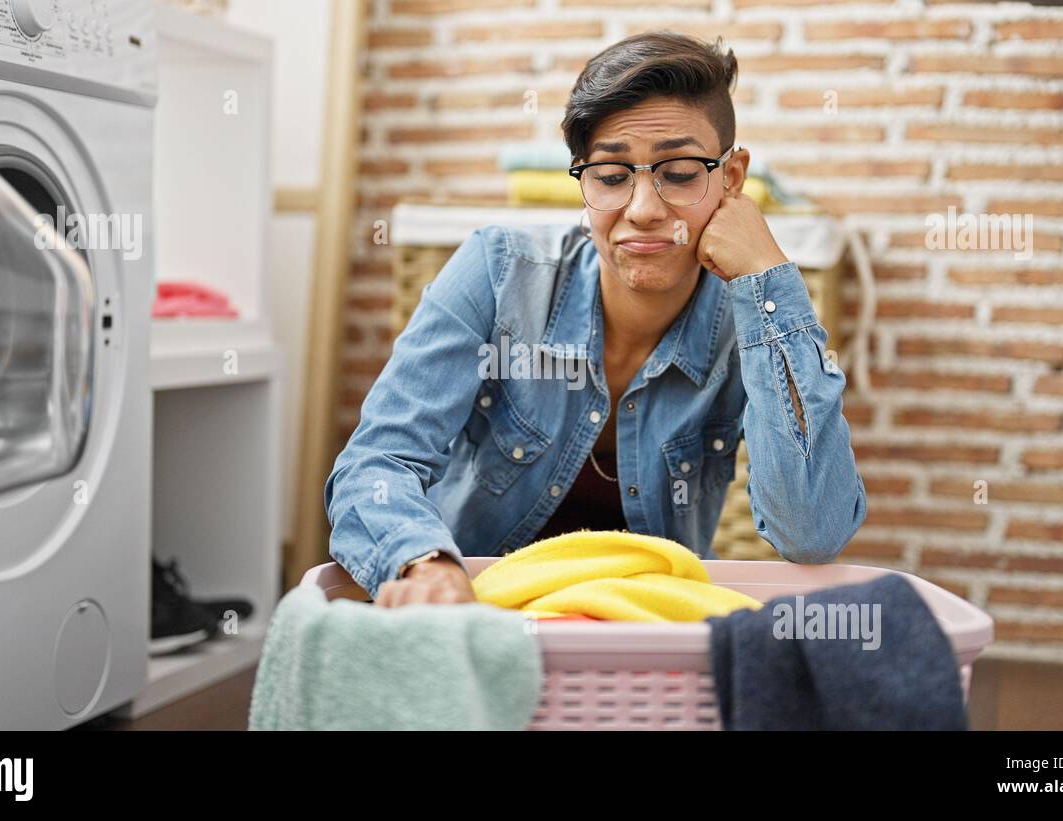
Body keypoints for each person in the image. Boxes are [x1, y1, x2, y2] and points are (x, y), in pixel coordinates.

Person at [325, 31, 867, 608]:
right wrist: (424, 565)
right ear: (583, 182)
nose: (644, 210)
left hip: (645, 628)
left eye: (680, 172)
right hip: (480, 614)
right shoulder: (498, 271)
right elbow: (377, 462)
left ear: (730, 180)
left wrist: (767, 275)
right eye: (611, 176)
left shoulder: (754, 317)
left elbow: (812, 533)